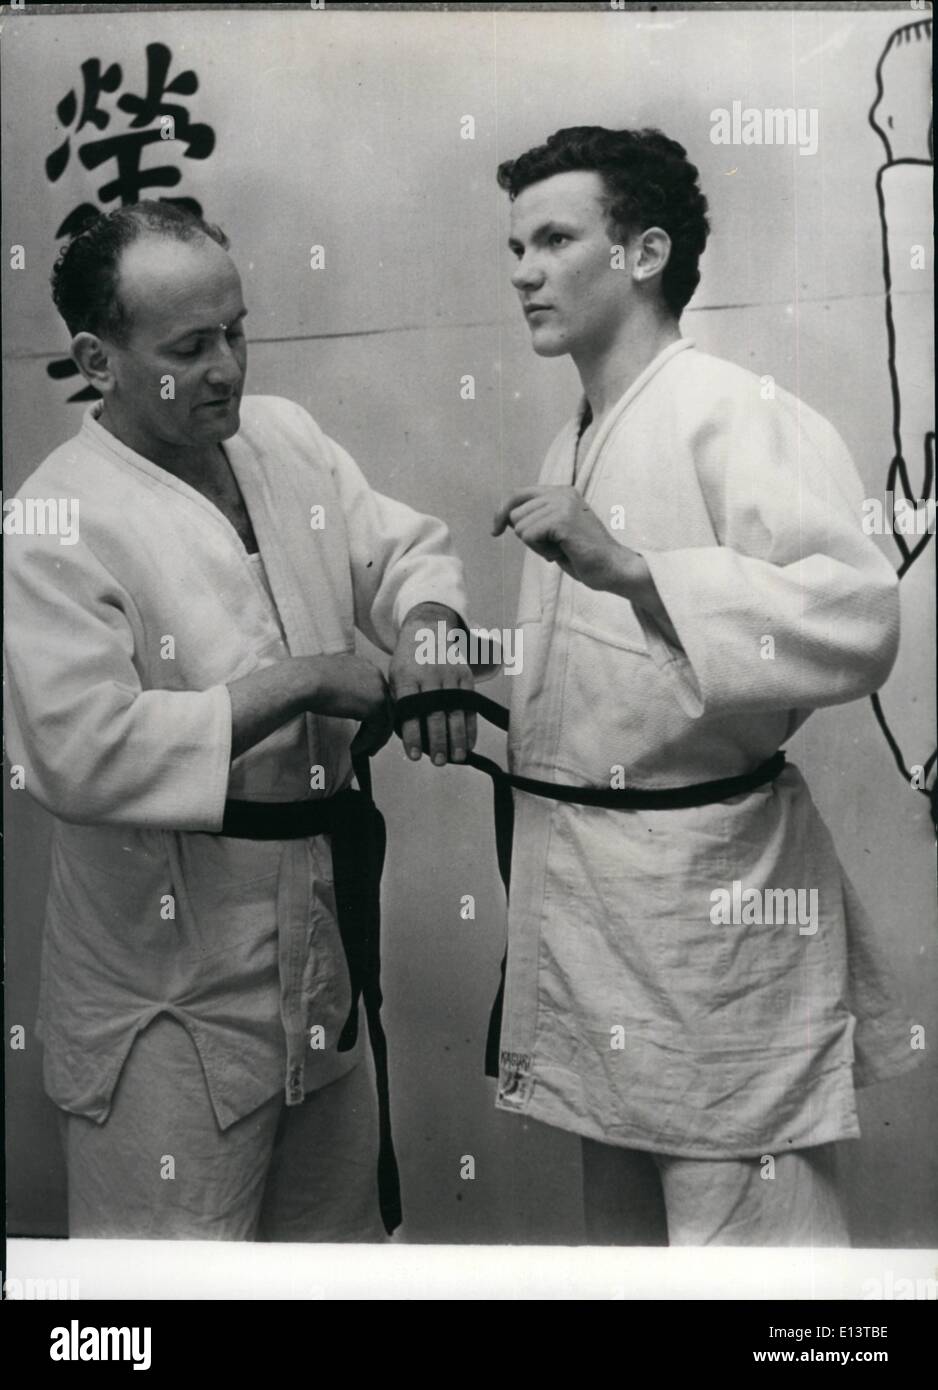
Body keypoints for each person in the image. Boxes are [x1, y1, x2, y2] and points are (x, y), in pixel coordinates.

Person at [4, 200, 475, 1241]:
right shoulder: (54, 523)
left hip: (316, 943)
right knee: (173, 1278)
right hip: (164, 988)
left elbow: (399, 551)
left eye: (237, 331)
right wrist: (305, 682)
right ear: (98, 358)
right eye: (189, 346)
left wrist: (431, 629)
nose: (227, 367)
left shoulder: (280, 438)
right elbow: (76, 753)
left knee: (331, 1257)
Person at [489, 126, 918, 1246]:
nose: (523, 270)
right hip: (597, 906)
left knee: (751, 1259)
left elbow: (857, 618)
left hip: (714, 908)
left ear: (643, 251)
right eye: (515, 246)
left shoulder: (731, 407)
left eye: (553, 238)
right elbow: (611, 680)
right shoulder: (569, 443)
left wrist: (636, 570)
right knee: (627, 1259)